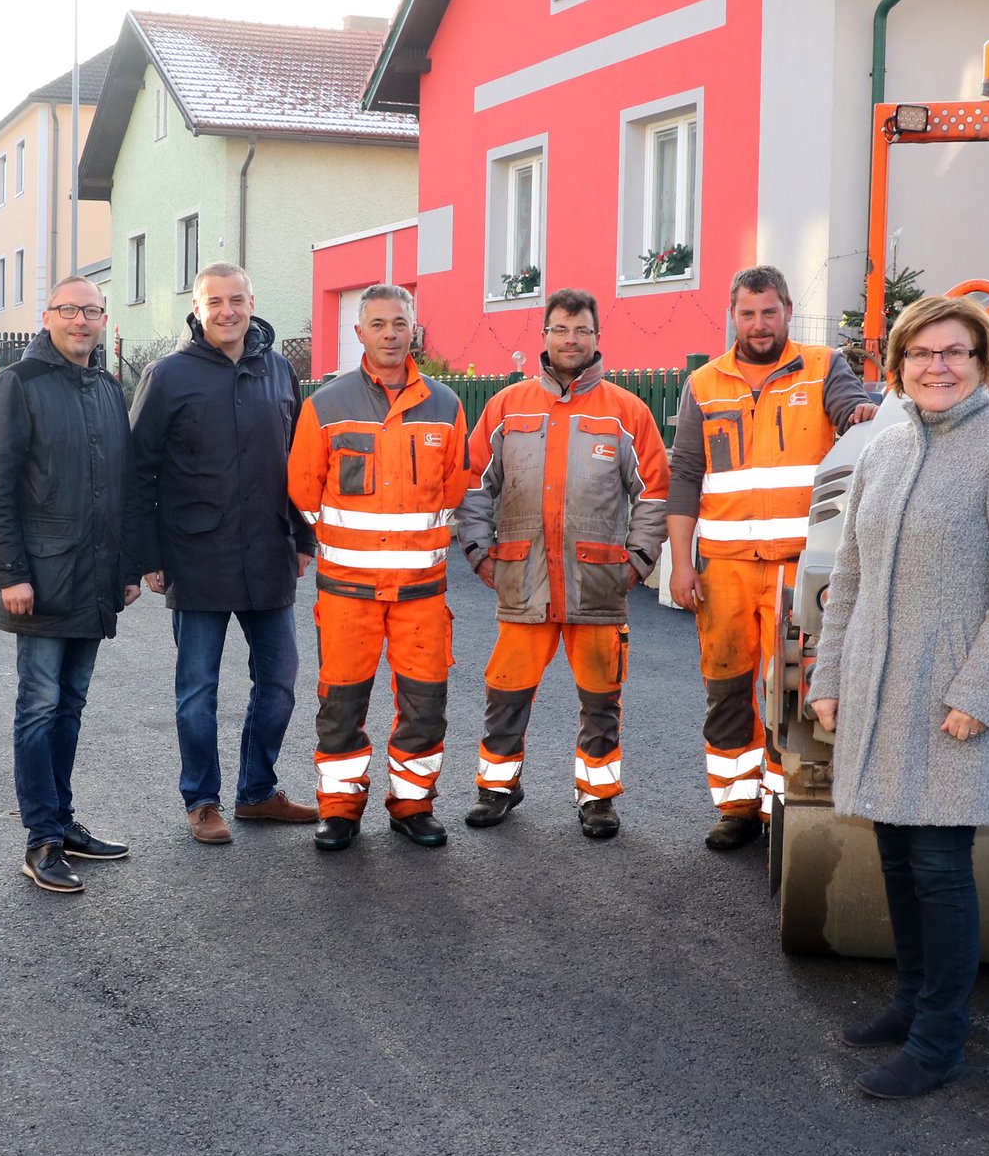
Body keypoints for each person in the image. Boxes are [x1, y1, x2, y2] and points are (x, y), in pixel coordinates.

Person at [806, 295, 989, 1099]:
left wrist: (980, 693)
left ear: (983, 362)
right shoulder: (881, 451)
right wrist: (830, 677)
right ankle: (911, 1002)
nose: (937, 366)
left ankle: (940, 1039)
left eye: (954, 352)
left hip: (951, 696)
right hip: (879, 689)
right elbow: (848, 577)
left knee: (941, 867)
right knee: (896, 855)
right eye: (921, 354)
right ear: (898, 366)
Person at [665, 266, 877, 851]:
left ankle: (790, 804)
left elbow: (850, 407)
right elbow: (685, 474)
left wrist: (859, 413)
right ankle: (737, 806)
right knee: (728, 688)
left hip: (799, 568)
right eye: (747, 313)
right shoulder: (704, 383)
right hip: (725, 566)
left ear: (787, 311)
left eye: (769, 312)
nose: (759, 324)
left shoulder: (823, 365)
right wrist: (681, 564)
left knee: (799, 690)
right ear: (732, 316)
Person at [456, 288, 669, 838]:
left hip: (598, 584)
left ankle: (597, 796)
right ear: (544, 335)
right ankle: (497, 787)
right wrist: (479, 553)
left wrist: (638, 561)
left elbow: (654, 494)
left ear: (597, 338)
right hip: (523, 581)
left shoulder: (627, 411)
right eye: (560, 329)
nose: (570, 340)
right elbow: (476, 483)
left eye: (581, 331)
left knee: (601, 697)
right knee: (506, 689)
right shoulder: (508, 406)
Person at [126, 262, 318, 846]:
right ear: (197, 308)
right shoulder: (167, 376)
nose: (227, 311)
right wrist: (148, 554)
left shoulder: (279, 370)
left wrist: (304, 537)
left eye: (236, 300)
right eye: (215, 302)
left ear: (252, 302)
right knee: (197, 691)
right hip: (195, 554)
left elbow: (300, 464)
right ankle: (203, 801)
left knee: (280, 681)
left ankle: (257, 792)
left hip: (269, 553)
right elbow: (139, 474)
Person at [0, 278, 140, 894]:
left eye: (92, 311)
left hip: (94, 579)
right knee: (39, 708)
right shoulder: (20, 384)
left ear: (101, 320)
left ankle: (63, 823)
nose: (81, 321)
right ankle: (40, 840)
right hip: (39, 580)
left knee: (70, 706)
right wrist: (10, 575)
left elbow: (121, 489)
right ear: (48, 317)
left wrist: (126, 571)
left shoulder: (107, 388)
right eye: (69, 311)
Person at [287, 285, 470, 851]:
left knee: (424, 705)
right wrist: (350, 542)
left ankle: (412, 806)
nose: (390, 333)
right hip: (347, 592)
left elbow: (456, 485)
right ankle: (339, 810)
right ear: (359, 332)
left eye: (399, 323)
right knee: (341, 703)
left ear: (413, 330)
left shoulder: (446, 405)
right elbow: (303, 488)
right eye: (378, 323)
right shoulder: (326, 404)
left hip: (421, 593)